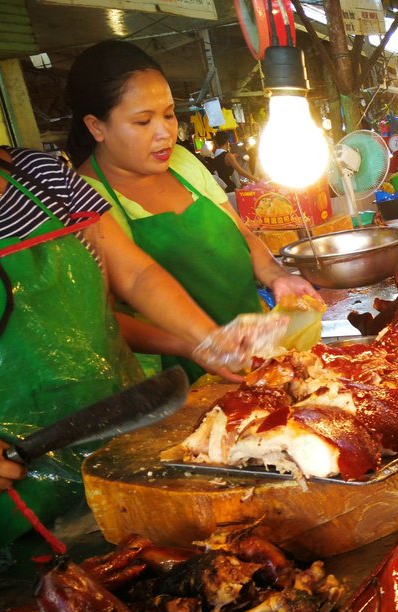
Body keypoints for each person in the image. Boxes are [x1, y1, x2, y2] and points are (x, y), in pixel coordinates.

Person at [0, 145, 280, 546]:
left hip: (125, 433)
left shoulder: (40, 173)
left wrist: (208, 339)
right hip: (18, 491)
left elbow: (135, 274)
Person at [64, 40, 317, 381]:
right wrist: (194, 346)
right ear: (96, 127)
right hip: (177, 377)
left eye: (168, 114)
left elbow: (241, 234)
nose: (165, 132)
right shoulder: (85, 199)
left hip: (254, 353)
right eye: (143, 121)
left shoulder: (183, 163)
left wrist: (277, 276)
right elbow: (108, 317)